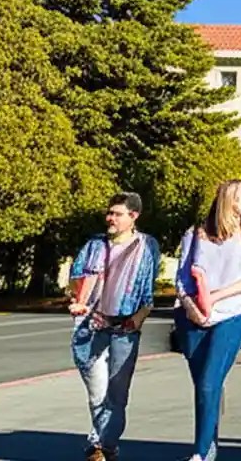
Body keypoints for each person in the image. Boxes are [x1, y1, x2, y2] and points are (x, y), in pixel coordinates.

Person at [174, 180, 241, 461]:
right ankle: (210, 445)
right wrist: (191, 305)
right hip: (193, 318)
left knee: (208, 383)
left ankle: (200, 453)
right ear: (225, 200)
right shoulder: (196, 233)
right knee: (206, 387)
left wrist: (217, 296)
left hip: (232, 314)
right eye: (240, 199)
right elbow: (182, 278)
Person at [68, 192, 161, 461]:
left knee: (118, 393)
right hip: (91, 324)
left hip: (126, 327)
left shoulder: (147, 246)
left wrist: (140, 316)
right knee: (98, 391)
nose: (110, 218)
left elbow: (147, 289)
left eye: (117, 214)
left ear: (133, 217)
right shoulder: (94, 245)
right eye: (109, 213)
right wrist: (79, 299)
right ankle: (102, 444)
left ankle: (103, 446)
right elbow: (77, 278)